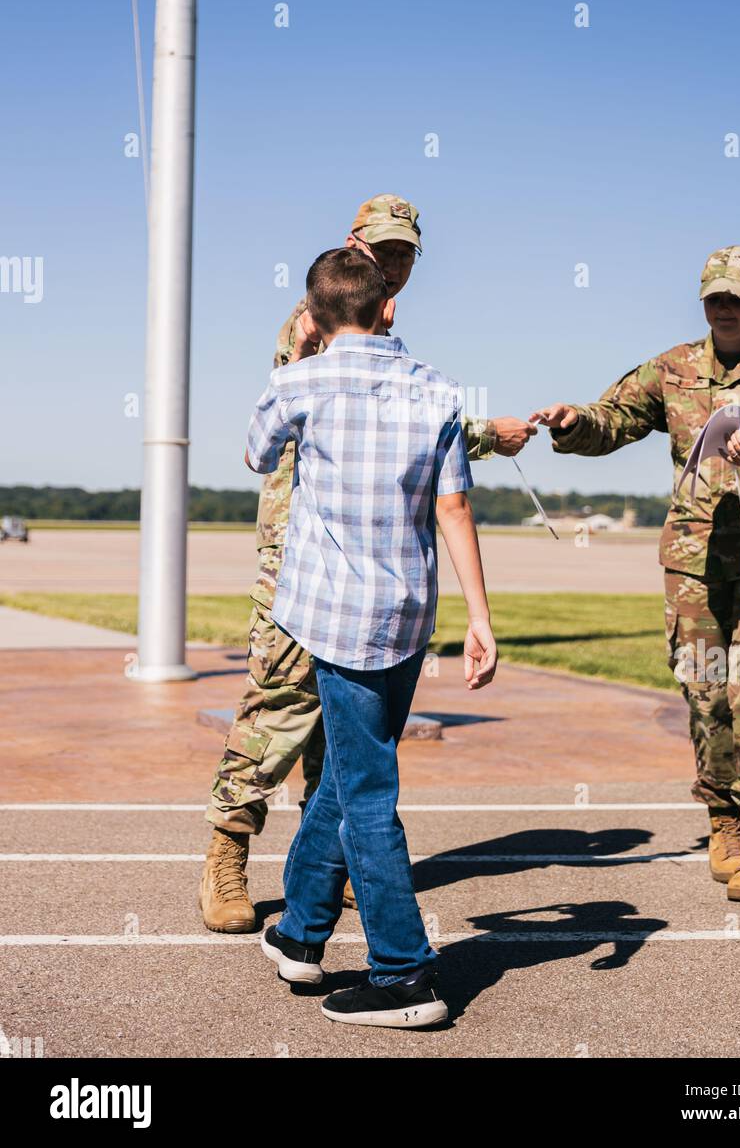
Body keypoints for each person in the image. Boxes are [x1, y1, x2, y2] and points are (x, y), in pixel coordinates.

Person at [199, 195, 533, 933]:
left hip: (375, 560)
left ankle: (335, 862)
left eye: (406, 253)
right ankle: (228, 847)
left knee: (346, 727)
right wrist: (479, 431)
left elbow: (404, 433)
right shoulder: (318, 317)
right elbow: (334, 415)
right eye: (382, 248)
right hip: (303, 553)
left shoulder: (386, 335)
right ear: (352, 244)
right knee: (279, 704)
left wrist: (475, 435)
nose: (393, 261)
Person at [532, 246, 740, 900]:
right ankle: (722, 819)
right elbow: (615, 418)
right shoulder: (673, 369)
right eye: (714, 297)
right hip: (695, 568)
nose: (725, 308)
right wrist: (572, 424)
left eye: (737, 296)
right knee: (707, 697)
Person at [249, 246, 496, 1028]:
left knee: (366, 794)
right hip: (408, 616)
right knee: (351, 774)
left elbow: (255, 454)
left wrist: (294, 358)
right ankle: (299, 934)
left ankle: (404, 975)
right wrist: (480, 616)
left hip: (337, 618)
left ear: (317, 317)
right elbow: (454, 509)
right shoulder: (439, 391)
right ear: (388, 306)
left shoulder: (299, 382)